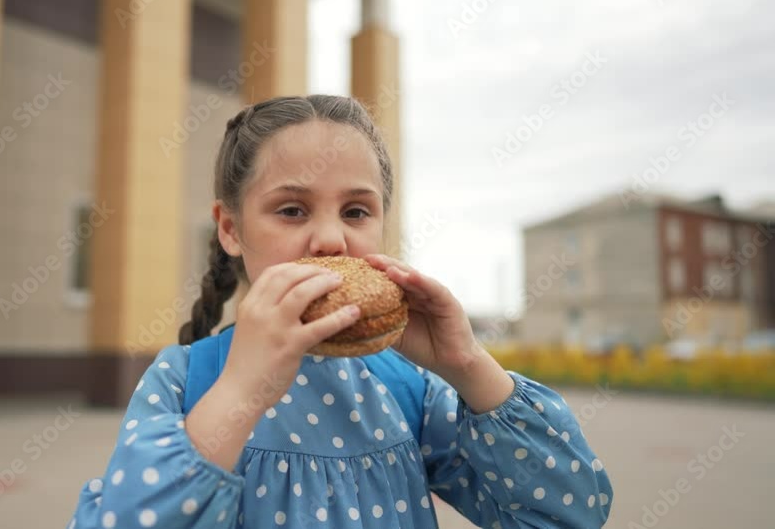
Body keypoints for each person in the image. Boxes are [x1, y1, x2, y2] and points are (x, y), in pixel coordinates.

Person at [66, 95, 613, 528]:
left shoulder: (410, 390)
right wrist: (239, 393)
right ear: (231, 229)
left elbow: (569, 513)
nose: (330, 239)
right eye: (291, 209)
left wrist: (466, 363)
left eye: (356, 210)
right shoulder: (188, 380)